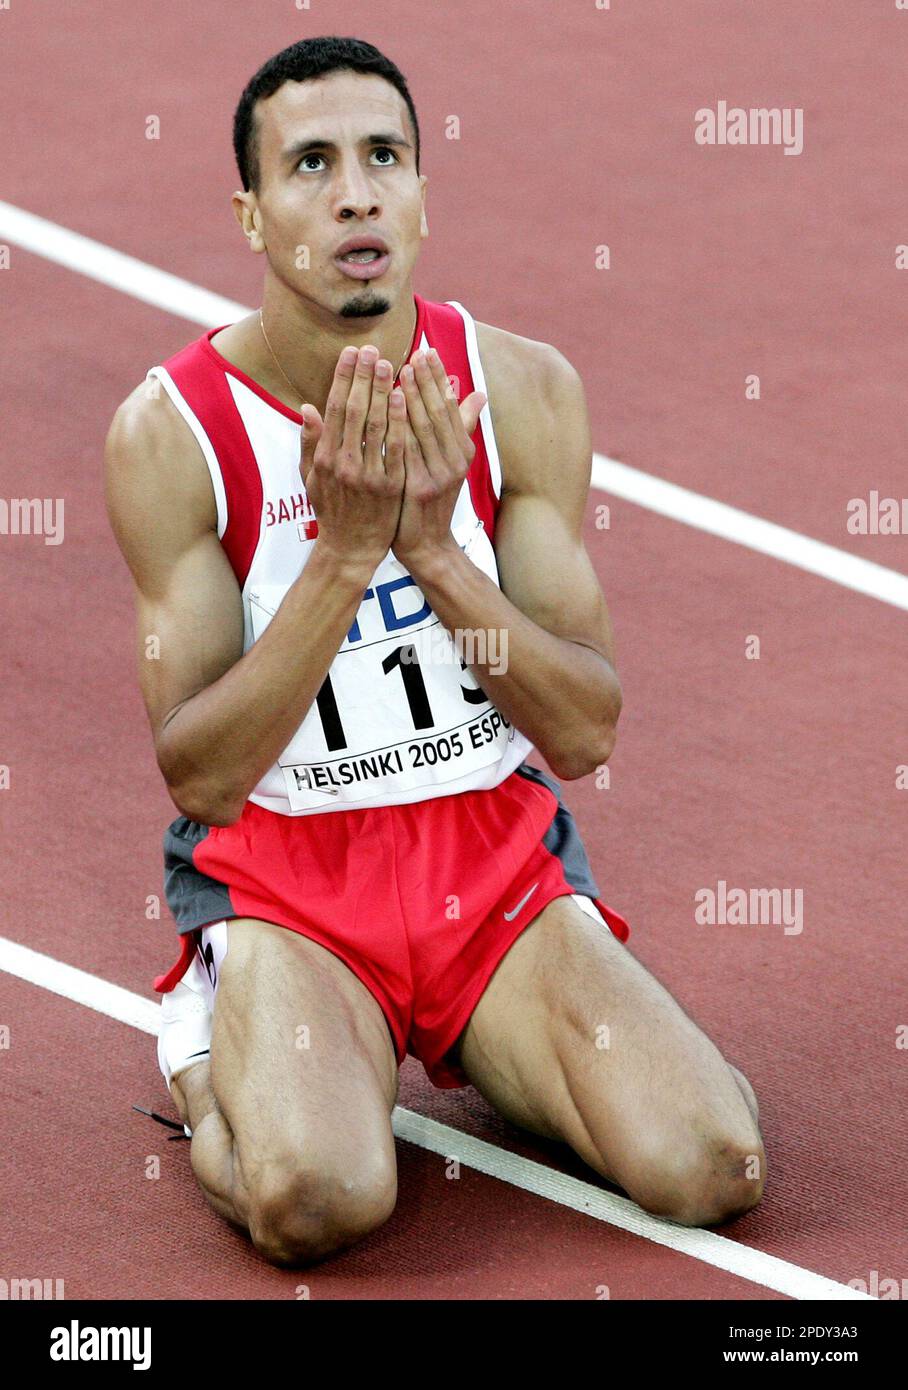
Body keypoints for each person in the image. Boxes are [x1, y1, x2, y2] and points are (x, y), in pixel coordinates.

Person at [104, 36, 765, 1267]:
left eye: (383, 158)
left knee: (712, 1167)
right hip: (287, 880)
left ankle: (488, 1038)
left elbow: (581, 729)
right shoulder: (173, 434)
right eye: (310, 164)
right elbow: (197, 776)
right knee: (318, 1204)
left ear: (420, 195)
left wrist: (434, 553)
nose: (354, 192)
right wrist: (345, 556)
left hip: (490, 863)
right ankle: (206, 1054)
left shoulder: (522, 392)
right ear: (250, 214)